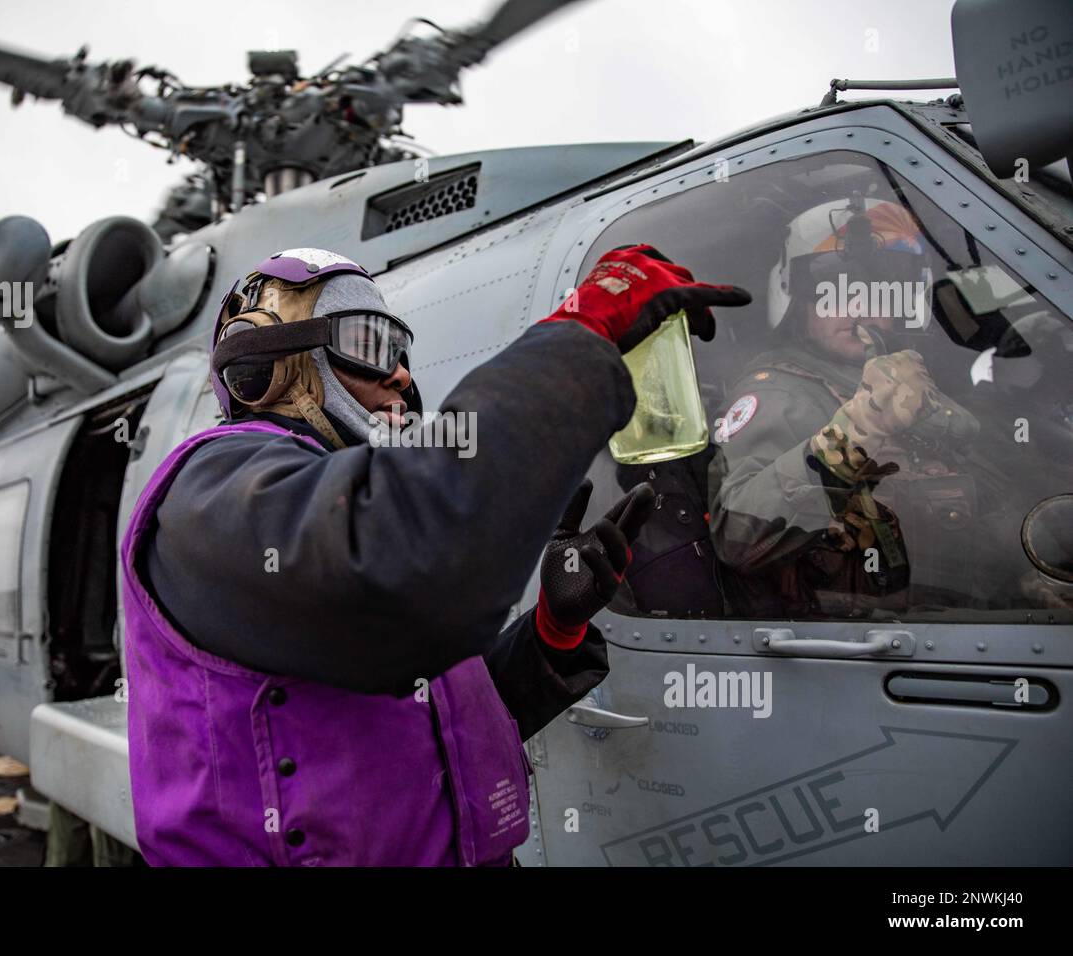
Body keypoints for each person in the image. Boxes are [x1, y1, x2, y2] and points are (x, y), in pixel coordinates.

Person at [119, 245, 749, 866]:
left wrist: (551, 634)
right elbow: (406, 569)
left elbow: (430, 724)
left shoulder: (340, 509)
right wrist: (580, 333)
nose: (400, 375)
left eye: (402, 352)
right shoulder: (211, 490)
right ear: (270, 366)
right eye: (368, 345)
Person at [707, 196, 1013, 617]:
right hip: (851, 644)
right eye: (831, 288)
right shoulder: (779, 396)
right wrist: (853, 434)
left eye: (879, 287)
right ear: (795, 302)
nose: (859, 305)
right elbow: (737, 537)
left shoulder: (905, 381)